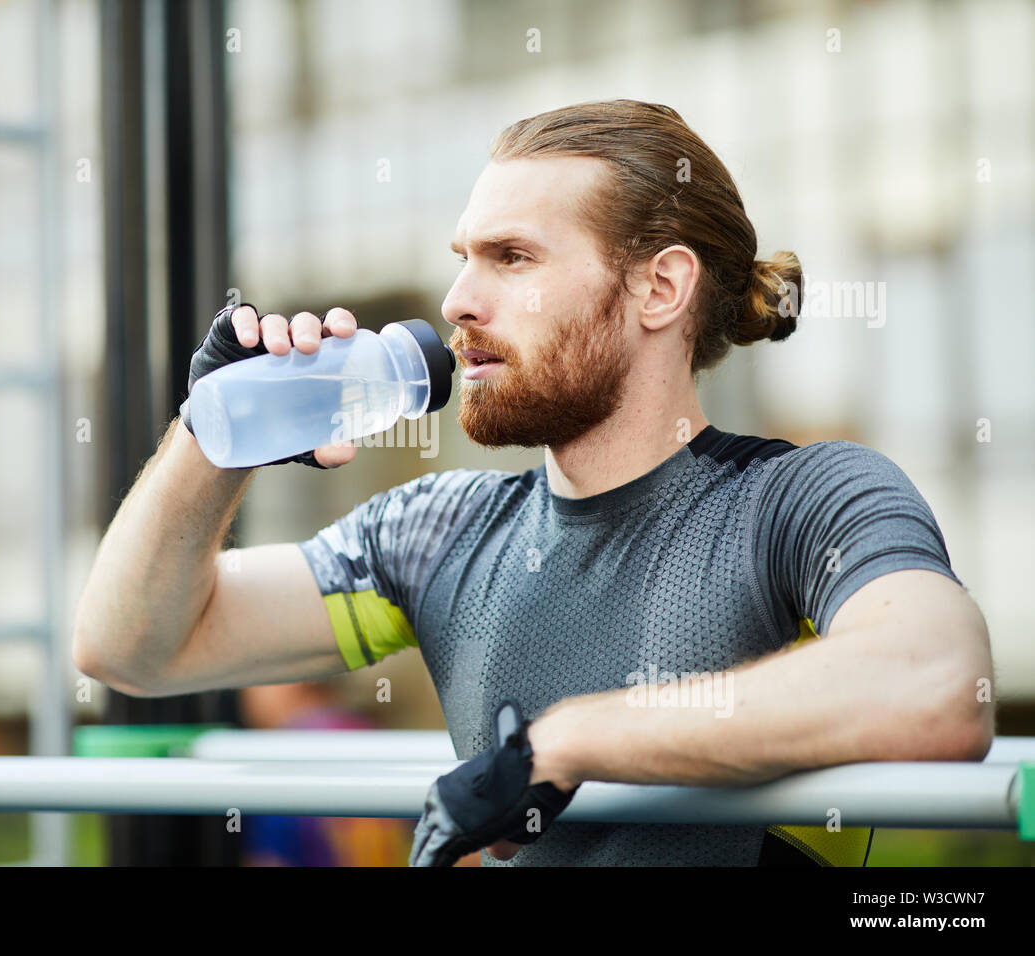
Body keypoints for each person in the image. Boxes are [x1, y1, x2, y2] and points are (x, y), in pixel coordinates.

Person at [73, 99, 994, 867]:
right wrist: (210, 437)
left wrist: (568, 745)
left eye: (512, 258)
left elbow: (938, 686)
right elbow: (135, 648)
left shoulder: (803, 500)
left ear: (660, 288)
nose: (458, 302)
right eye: (463, 259)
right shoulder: (434, 531)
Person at [237, 681, 419, 867]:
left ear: (291, 681)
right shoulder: (381, 739)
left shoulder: (280, 759)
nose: (242, 696)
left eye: (252, 681)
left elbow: (268, 860)